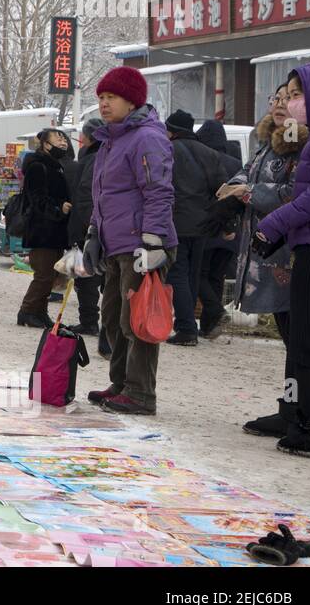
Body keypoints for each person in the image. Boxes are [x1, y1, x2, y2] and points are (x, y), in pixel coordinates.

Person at [253, 61, 310, 460]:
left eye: (296, 94)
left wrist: (274, 223)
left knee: (308, 341)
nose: (290, 103)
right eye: (287, 95)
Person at [82, 67, 176, 416]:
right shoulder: (112, 140)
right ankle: (120, 382)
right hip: (115, 244)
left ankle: (141, 392)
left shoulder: (147, 138)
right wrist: (94, 233)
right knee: (113, 318)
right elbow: (103, 195)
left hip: (141, 244)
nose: (104, 105)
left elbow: (158, 192)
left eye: (111, 98)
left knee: (137, 320)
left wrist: (153, 243)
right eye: (101, 98)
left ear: (131, 100)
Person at [226, 85, 305, 438]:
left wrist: (248, 193)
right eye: (276, 98)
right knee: (292, 339)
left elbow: (296, 194)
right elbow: (246, 172)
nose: (280, 104)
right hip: (266, 249)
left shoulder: (306, 145)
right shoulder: (268, 141)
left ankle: (300, 412)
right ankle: (291, 408)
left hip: (290, 254)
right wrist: (237, 185)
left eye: (290, 97)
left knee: (302, 340)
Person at [163, 109, 235, 347]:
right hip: (203, 225)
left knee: (177, 274)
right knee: (193, 275)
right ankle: (189, 327)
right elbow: (222, 192)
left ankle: (186, 328)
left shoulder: (168, 151)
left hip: (176, 223)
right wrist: (224, 224)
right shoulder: (209, 153)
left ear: (171, 130)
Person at [16, 129, 73, 328]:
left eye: (64, 138)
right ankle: (27, 310)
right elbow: (37, 198)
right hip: (42, 230)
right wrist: (58, 207)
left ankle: (40, 312)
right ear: (45, 144)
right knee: (44, 275)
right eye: (58, 138)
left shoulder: (58, 165)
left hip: (55, 230)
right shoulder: (38, 166)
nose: (63, 141)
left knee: (51, 275)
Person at [194, 118, 244, 338]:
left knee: (197, 275)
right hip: (231, 230)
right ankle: (209, 325)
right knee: (217, 277)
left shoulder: (202, 160)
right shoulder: (235, 163)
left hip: (208, 227)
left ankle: (215, 311)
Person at [67, 118, 107, 355]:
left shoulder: (92, 158)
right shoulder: (101, 155)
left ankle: (90, 319)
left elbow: (85, 195)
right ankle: (91, 319)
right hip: (97, 223)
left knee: (86, 275)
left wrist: (88, 225)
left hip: (90, 226)